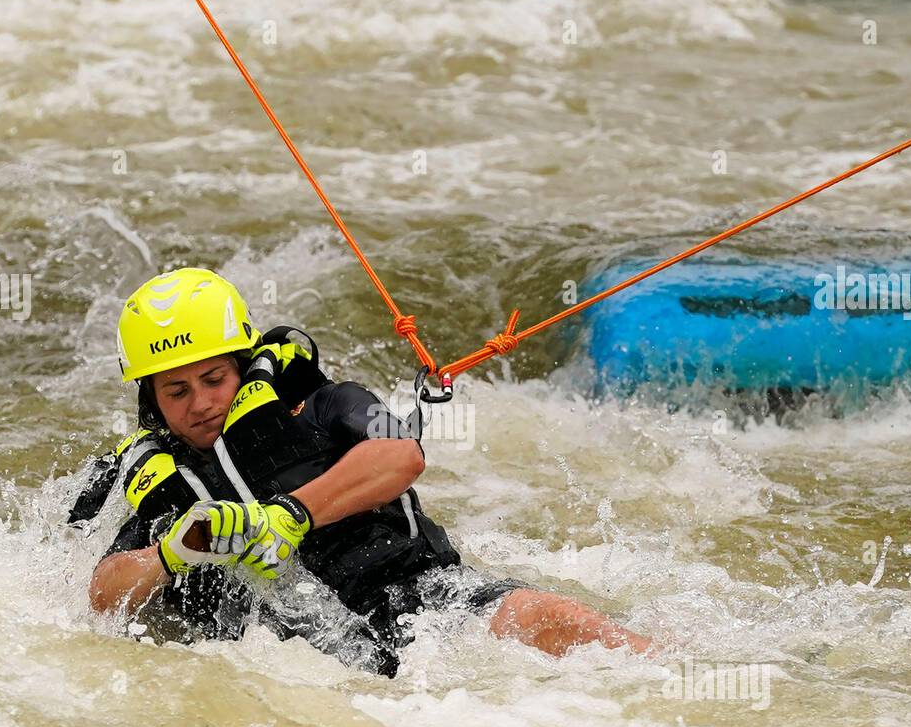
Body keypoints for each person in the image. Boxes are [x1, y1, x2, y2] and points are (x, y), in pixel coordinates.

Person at [70, 267, 650, 676]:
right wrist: (171, 553)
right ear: (151, 400)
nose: (199, 404)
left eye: (213, 379)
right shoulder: (161, 480)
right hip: (284, 660)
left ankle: (681, 672)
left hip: (424, 602)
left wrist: (289, 515)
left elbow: (401, 455)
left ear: (242, 366)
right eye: (177, 390)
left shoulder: (328, 403)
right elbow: (103, 594)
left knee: (550, 617)